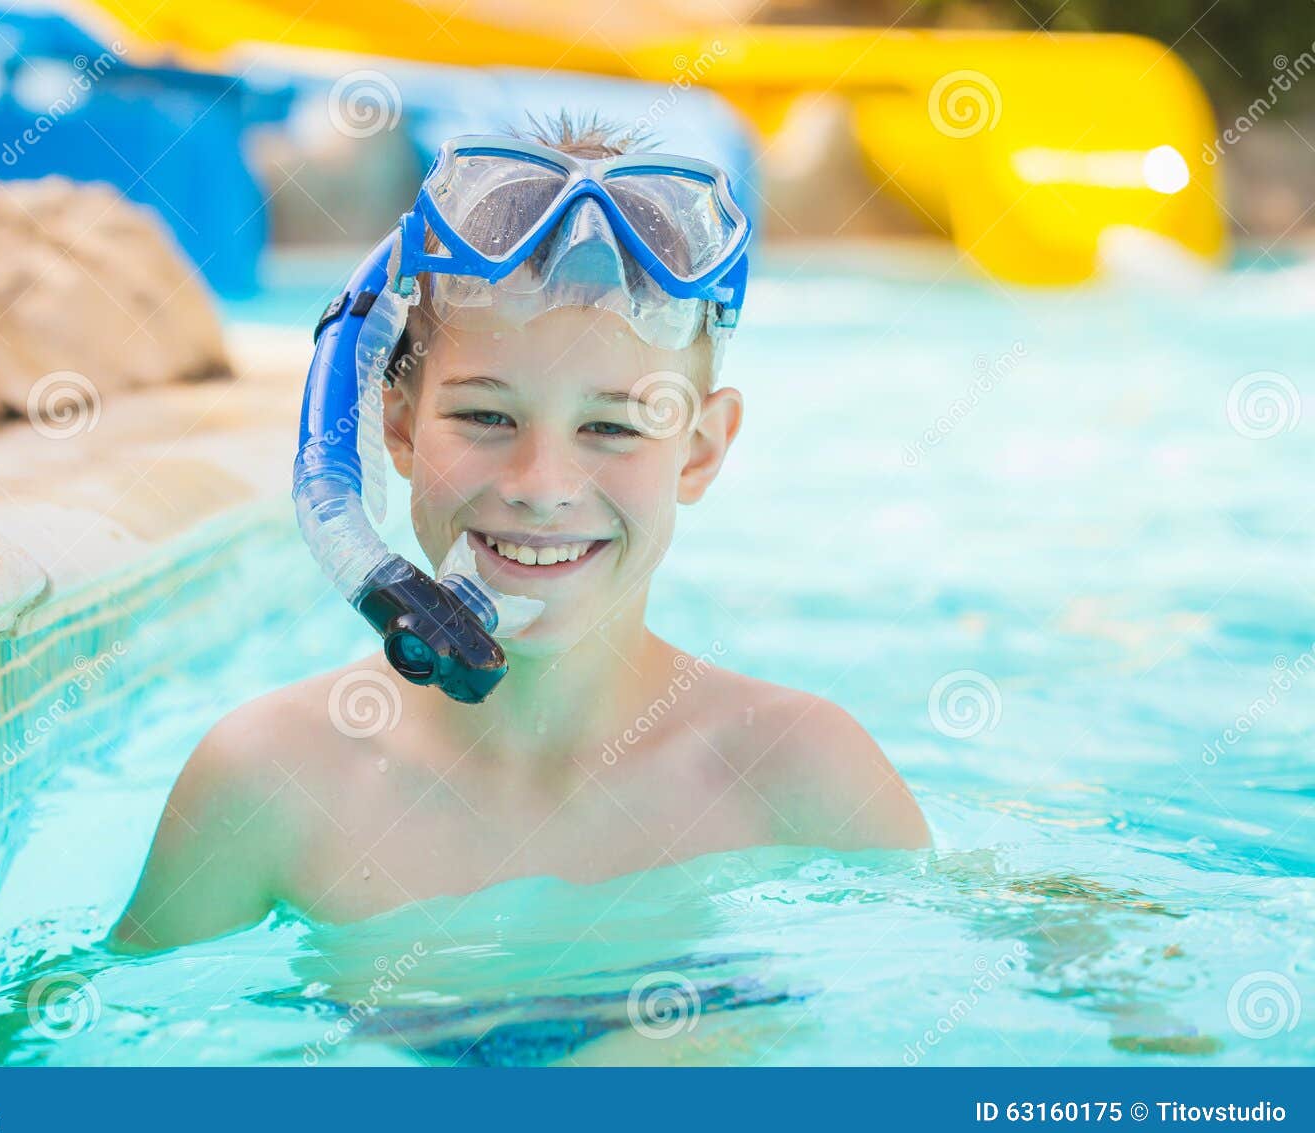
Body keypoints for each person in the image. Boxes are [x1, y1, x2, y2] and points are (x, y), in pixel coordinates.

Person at [113, 115, 928, 950]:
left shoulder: (799, 773)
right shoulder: (270, 783)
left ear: (701, 449)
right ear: (396, 425)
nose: (542, 487)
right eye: (485, 415)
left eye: (612, 427)